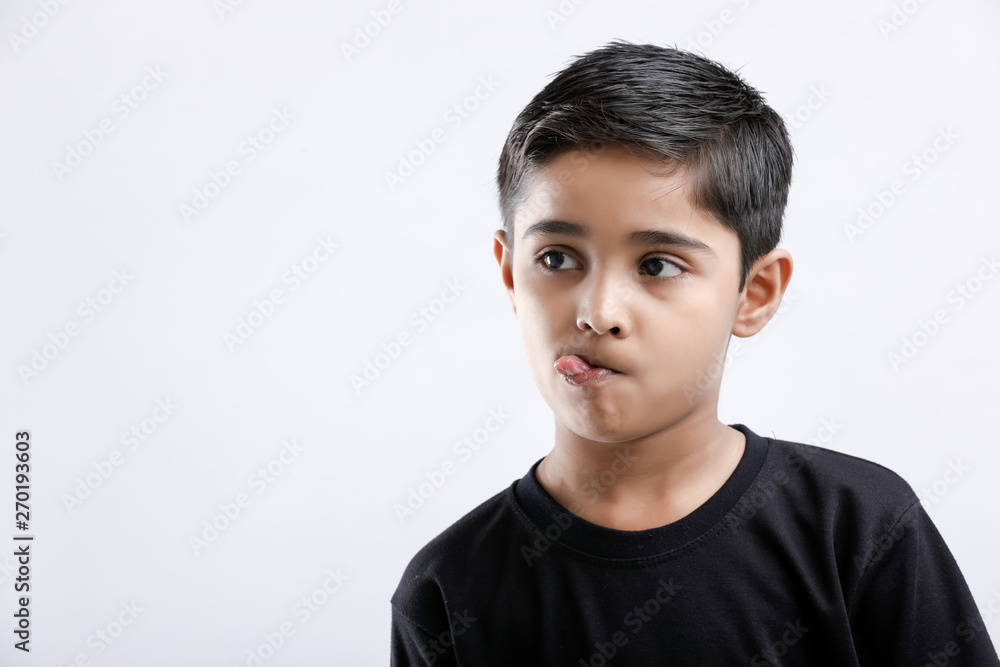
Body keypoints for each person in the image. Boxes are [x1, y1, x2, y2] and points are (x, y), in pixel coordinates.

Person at [389, 40, 1000, 665]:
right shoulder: (447, 589)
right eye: (557, 258)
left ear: (753, 293)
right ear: (511, 274)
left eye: (657, 265)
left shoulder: (859, 527)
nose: (597, 311)